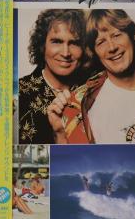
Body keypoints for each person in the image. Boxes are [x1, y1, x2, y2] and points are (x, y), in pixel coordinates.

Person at [47, 10, 135, 144]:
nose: (112, 47)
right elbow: (76, 156)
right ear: (94, 53)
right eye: (101, 42)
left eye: (117, 35)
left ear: (133, 37)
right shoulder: (80, 105)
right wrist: (60, 132)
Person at [18, 10, 88, 144]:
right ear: (42, 45)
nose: (65, 53)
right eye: (57, 42)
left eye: (74, 43)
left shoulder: (93, 88)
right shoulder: (18, 94)